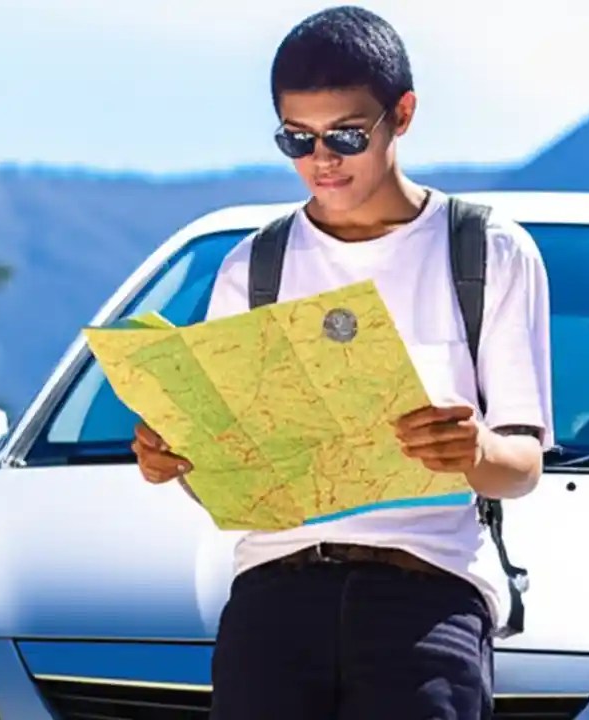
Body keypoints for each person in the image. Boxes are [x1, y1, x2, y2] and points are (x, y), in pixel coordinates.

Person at [131, 6, 553, 719]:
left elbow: (525, 464)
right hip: (273, 598)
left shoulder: (487, 253)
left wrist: (474, 448)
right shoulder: (253, 267)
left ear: (404, 114)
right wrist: (178, 458)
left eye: (346, 135)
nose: (321, 159)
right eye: (297, 138)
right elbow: (227, 486)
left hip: (428, 597)